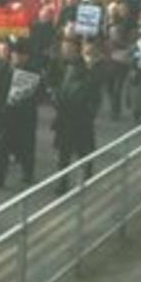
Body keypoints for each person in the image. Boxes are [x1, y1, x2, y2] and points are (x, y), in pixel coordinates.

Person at [0, 39, 40, 190]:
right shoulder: (3, 69)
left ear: (26, 57)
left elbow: (39, 94)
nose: (17, 57)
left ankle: (27, 172)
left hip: (25, 116)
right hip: (5, 114)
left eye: (21, 55)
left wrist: (29, 93)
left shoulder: (32, 71)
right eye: (15, 54)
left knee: (26, 146)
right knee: (1, 147)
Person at [54, 39, 102, 192]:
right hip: (65, 118)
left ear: (75, 50)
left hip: (80, 120)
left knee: (82, 152)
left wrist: (89, 114)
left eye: (67, 49)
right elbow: (60, 89)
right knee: (64, 154)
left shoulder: (86, 70)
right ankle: (62, 182)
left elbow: (94, 96)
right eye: (63, 48)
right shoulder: (62, 67)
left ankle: (85, 178)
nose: (64, 51)